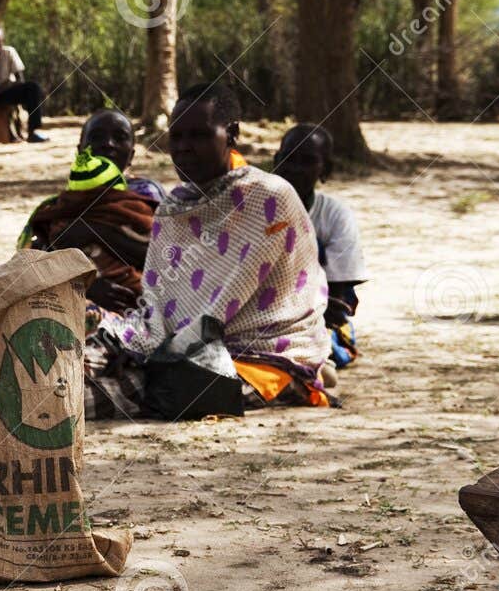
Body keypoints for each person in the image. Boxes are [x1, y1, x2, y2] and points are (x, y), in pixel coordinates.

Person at [86, 84, 331, 420]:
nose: (184, 148)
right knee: (95, 346)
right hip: (181, 346)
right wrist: (132, 342)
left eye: (199, 135)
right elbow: (158, 300)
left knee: (135, 391)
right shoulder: (174, 208)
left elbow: (218, 307)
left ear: (231, 134)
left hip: (260, 355)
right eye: (177, 137)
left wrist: (153, 349)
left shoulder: (268, 198)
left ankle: (55, 402)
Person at [19, 110, 161, 311]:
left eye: (119, 137)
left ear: (131, 154)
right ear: (80, 150)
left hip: (142, 304)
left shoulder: (148, 195)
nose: (108, 144)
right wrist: (86, 285)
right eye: (97, 137)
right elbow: (35, 263)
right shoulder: (61, 204)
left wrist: (92, 231)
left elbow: (161, 255)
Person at [273, 123, 367, 368]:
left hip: (315, 318)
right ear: (276, 161)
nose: (296, 169)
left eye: (308, 161)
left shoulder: (334, 216)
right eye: (289, 159)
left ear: (325, 169)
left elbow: (338, 298)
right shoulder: (253, 210)